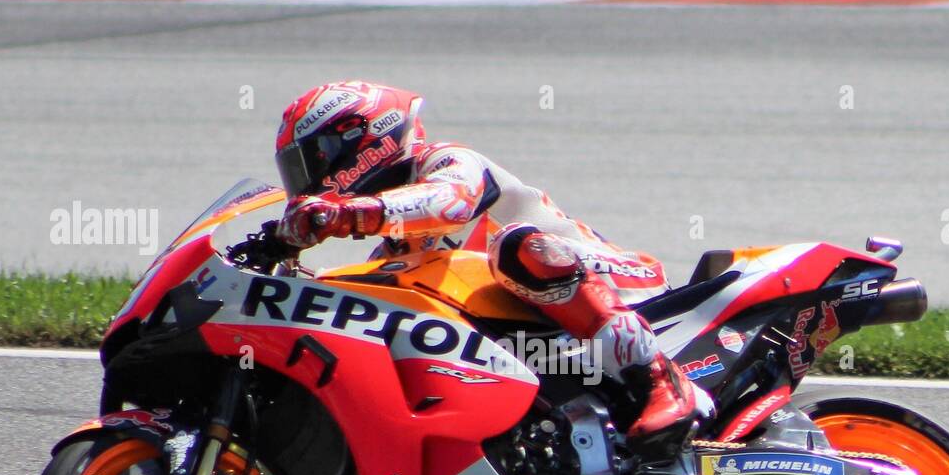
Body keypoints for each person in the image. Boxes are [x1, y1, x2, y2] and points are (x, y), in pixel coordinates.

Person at [273, 80, 703, 451]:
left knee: (515, 247)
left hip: (623, 286)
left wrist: (350, 214)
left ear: (361, 136)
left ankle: (658, 379)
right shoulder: (393, 253)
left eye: (313, 160)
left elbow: (451, 202)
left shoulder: (445, 162)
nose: (307, 182)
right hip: (550, 340)